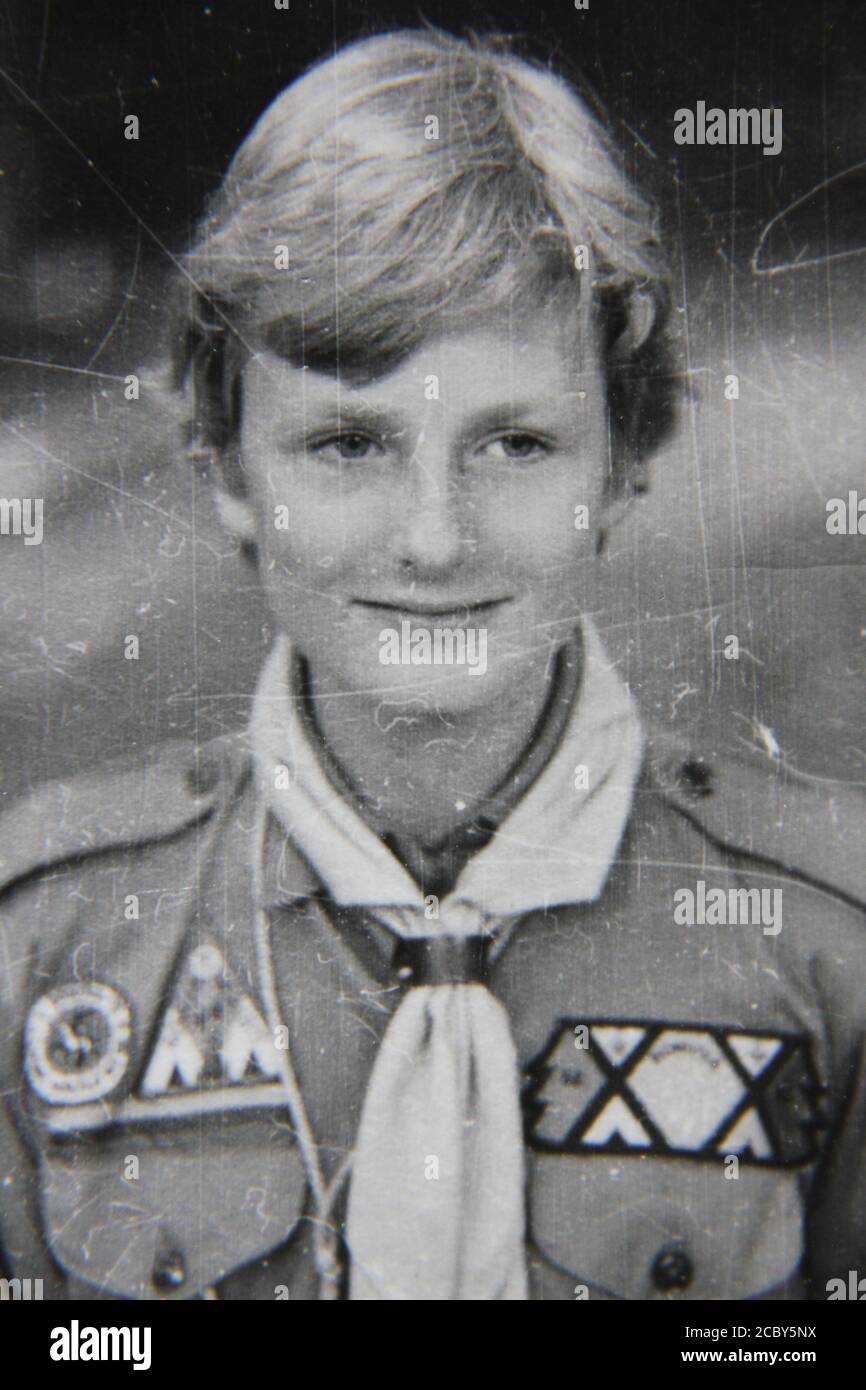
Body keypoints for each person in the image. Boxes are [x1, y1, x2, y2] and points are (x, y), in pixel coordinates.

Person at [1, 27, 864, 1302]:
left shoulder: (824, 936)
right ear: (229, 476)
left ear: (622, 461)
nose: (432, 538)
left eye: (514, 442)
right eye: (346, 444)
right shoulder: (44, 940)